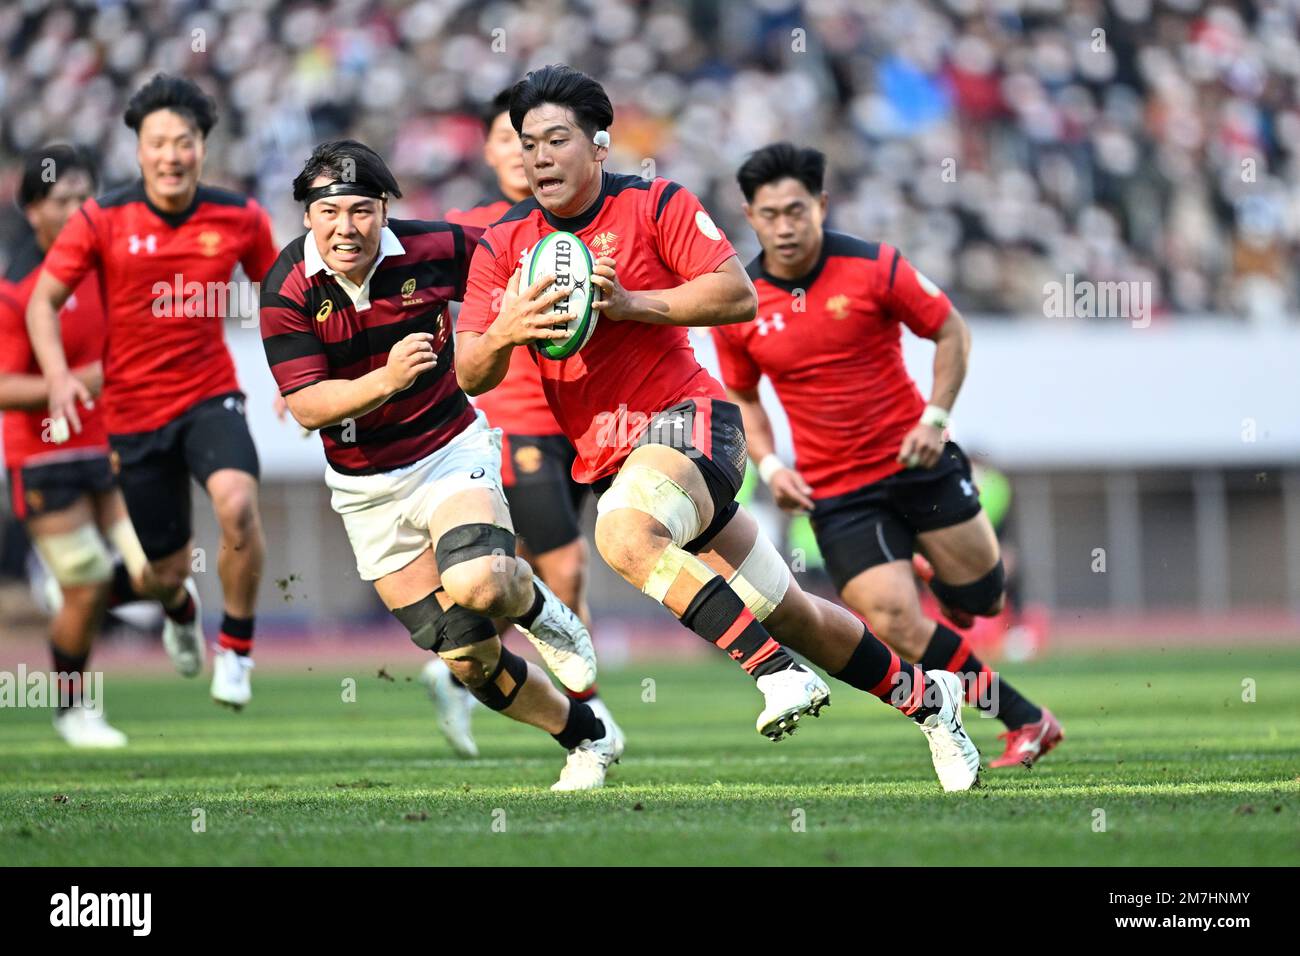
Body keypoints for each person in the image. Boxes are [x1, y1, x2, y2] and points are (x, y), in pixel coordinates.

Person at [456, 65, 981, 791]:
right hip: (612, 455)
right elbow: (469, 372)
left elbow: (736, 293)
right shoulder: (502, 244)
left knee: (620, 533)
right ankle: (931, 701)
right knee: (795, 613)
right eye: (527, 142)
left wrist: (633, 303)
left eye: (556, 139)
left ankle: (774, 677)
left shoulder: (655, 203)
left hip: (690, 424)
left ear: (600, 147)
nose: (538, 156)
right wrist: (508, 329)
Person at [259, 139, 617, 791]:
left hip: (450, 450)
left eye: (363, 210)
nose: (347, 226)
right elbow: (309, 406)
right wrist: (387, 378)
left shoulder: (434, 248)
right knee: (468, 657)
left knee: (479, 581)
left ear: (387, 209)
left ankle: (537, 608)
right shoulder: (285, 288)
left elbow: (522, 250)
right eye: (329, 211)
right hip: (364, 488)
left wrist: (587, 268)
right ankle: (587, 737)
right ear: (306, 215)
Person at [716, 142, 1063, 769]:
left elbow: (950, 329)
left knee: (984, 601)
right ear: (751, 216)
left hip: (916, 461)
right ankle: (1024, 719)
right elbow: (743, 395)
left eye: (797, 209)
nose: (785, 226)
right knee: (898, 623)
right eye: (770, 214)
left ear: (821, 205)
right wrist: (770, 465)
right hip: (836, 491)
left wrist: (935, 418)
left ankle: (945, 577)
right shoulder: (740, 301)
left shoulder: (874, 266)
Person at [26, 74, 280, 709]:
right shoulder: (101, 218)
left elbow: (282, 300)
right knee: (165, 574)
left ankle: (239, 651)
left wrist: (297, 378)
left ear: (202, 147)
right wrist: (57, 375)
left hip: (210, 394)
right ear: (139, 149)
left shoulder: (241, 216)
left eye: (185, 141)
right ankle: (180, 607)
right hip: (134, 415)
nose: (172, 155)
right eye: (158, 142)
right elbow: (43, 301)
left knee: (237, 505)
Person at [422, 89, 620, 759]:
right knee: (564, 566)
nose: (528, 153)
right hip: (516, 421)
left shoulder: (584, 218)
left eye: (542, 141)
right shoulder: (471, 229)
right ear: (491, 150)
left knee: (532, 569)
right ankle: (591, 714)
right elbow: (423, 313)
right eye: (514, 141)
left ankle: (461, 657)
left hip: (589, 418)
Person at [0, 145, 151, 746]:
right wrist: (67, 383)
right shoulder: (16, 288)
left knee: (160, 566)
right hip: (43, 456)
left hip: (109, 445)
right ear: (33, 211)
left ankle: (177, 619)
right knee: (88, 581)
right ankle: (73, 708)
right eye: (62, 200)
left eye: (84, 198)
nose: (77, 210)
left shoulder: (106, 271)